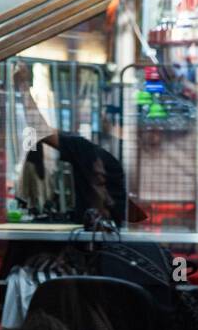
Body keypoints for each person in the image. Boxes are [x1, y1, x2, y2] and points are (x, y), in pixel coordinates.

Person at [13, 62, 127, 226]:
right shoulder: (111, 156)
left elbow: (41, 130)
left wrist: (22, 87)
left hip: (93, 234)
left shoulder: (87, 150)